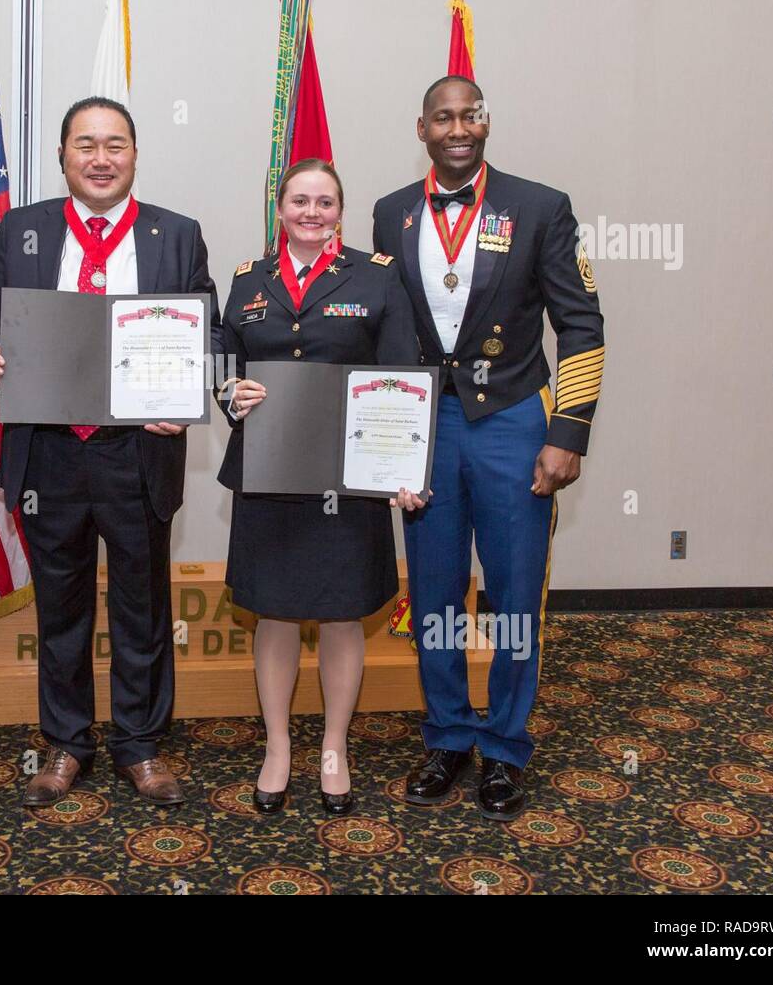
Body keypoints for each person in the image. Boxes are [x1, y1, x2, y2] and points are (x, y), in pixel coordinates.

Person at [0, 97, 222, 808]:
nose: (101, 157)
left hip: (135, 452)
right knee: (61, 607)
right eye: (85, 144)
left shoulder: (176, 234)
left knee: (143, 604)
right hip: (49, 451)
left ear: (135, 155)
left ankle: (141, 745)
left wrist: (184, 399)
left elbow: (205, 333)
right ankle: (65, 744)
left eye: (115, 144)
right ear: (62, 156)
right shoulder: (21, 231)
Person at [372, 76, 605, 821]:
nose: (457, 127)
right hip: (429, 428)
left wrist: (568, 433)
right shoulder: (391, 214)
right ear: (422, 129)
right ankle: (446, 734)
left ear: (486, 122)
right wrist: (387, 443)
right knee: (435, 591)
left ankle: (504, 746)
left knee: (511, 597)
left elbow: (582, 324)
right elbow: (390, 332)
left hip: (512, 422)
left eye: (469, 114)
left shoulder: (541, 207)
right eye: (443, 117)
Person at [219, 158, 424, 815]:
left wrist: (402, 469)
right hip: (270, 473)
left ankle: (335, 746)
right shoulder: (248, 281)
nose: (312, 212)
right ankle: (277, 746)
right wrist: (230, 391)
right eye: (300, 201)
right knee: (273, 611)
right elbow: (222, 364)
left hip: (350, 476)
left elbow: (401, 374)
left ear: (340, 210)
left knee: (341, 613)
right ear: (280, 209)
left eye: (325, 202)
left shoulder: (378, 277)